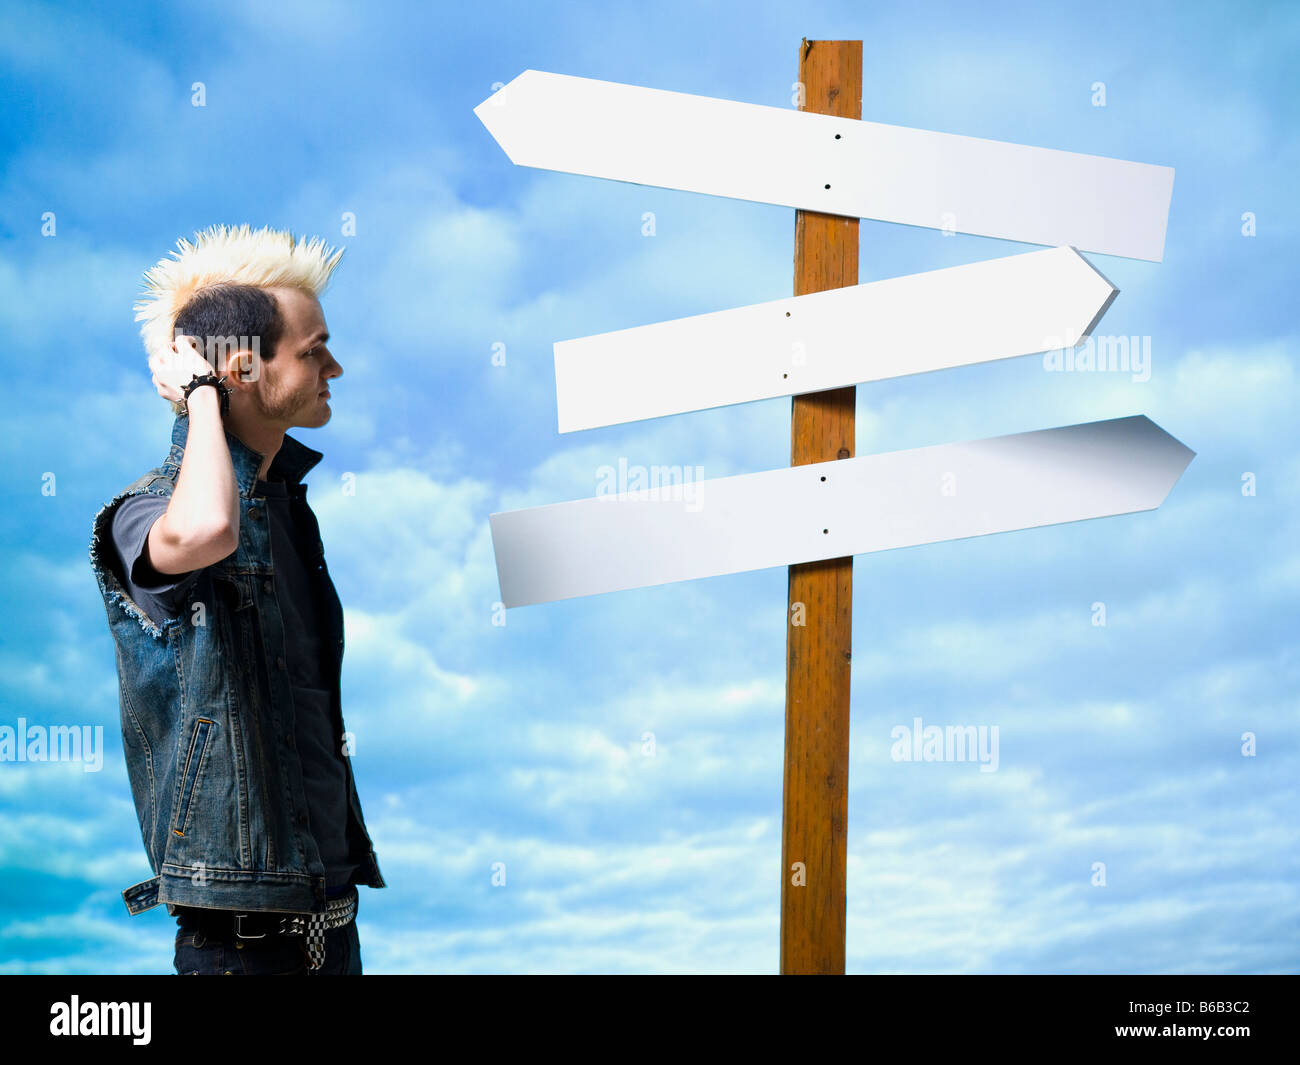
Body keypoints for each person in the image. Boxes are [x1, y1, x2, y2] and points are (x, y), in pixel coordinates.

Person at [88, 224, 386, 974]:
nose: (335, 367)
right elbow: (208, 529)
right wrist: (202, 401)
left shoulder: (290, 511)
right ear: (243, 368)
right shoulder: (141, 514)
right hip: (239, 950)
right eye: (313, 349)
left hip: (336, 927)